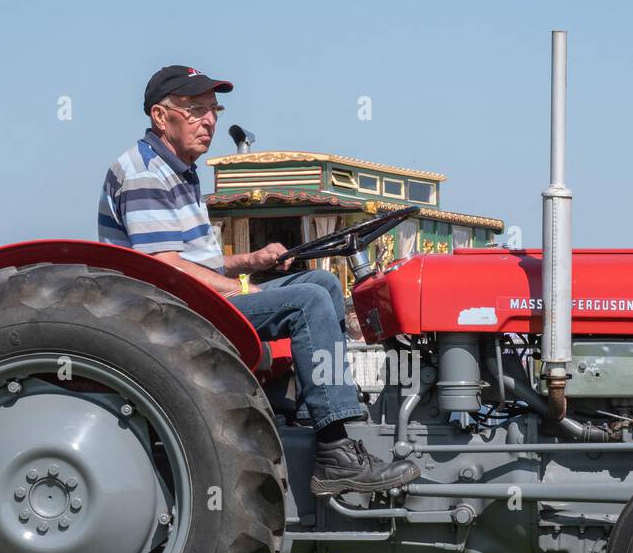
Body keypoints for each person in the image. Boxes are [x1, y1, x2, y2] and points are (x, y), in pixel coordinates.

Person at [98, 64, 418, 496]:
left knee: (322, 286)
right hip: (173, 314)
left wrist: (250, 259)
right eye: (195, 110)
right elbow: (167, 268)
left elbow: (197, 262)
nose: (209, 120)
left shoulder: (178, 170)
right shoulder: (144, 175)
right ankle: (335, 451)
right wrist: (244, 288)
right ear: (160, 115)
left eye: (214, 109)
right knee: (308, 302)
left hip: (195, 300)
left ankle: (314, 412)